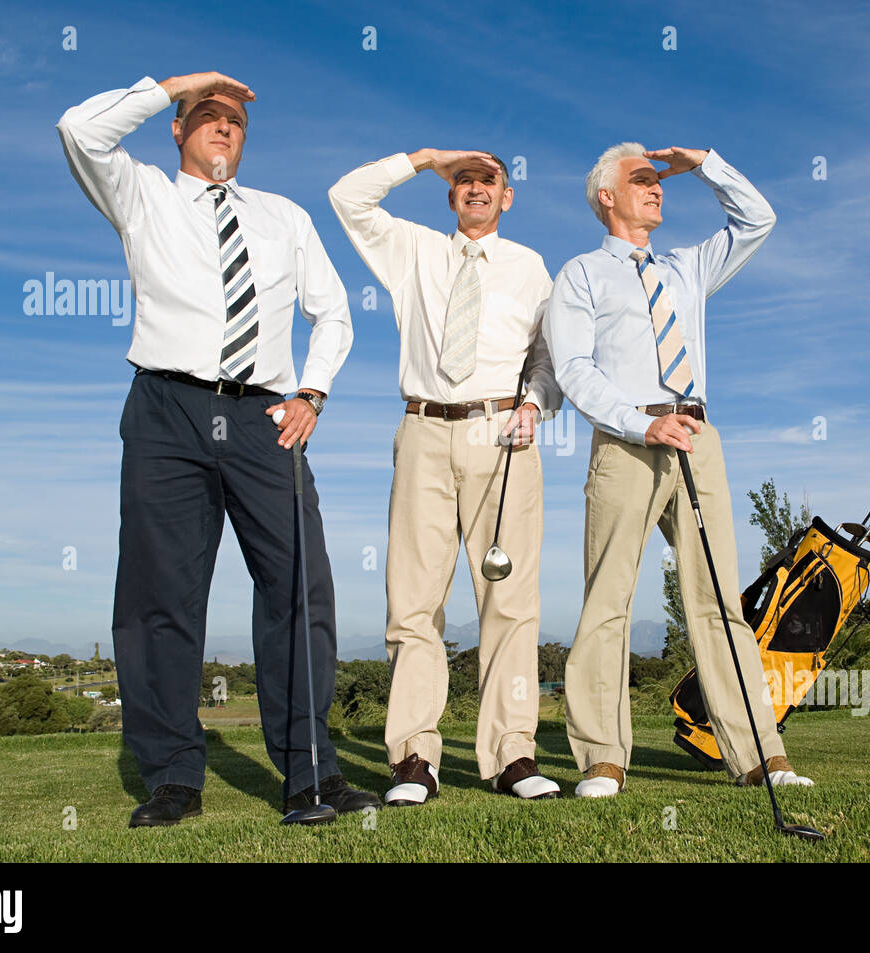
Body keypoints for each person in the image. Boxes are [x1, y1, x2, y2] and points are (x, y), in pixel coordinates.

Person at [57, 71, 378, 826]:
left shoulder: (285, 217)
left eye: (233, 116)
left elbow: (333, 315)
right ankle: (172, 775)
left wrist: (314, 392)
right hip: (167, 407)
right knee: (159, 596)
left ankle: (310, 776)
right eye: (205, 114)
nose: (222, 124)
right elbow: (79, 129)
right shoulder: (140, 194)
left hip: (267, 416)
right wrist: (178, 82)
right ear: (176, 129)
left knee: (300, 588)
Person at [543, 142, 814, 797]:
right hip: (626, 435)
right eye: (642, 178)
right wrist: (642, 423)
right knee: (609, 600)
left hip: (698, 436)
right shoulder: (581, 273)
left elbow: (758, 220)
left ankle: (759, 756)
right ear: (606, 196)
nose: (657, 187)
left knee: (720, 602)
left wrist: (709, 164)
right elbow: (574, 367)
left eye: (660, 179)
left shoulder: (687, 267)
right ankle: (603, 757)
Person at [329, 149, 562, 805]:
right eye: (464, 179)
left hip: (503, 436)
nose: (476, 188)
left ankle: (511, 753)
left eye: (489, 180)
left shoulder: (530, 268)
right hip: (424, 430)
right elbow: (347, 195)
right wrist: (423, 158)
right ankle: (413, 758)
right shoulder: (413, 250)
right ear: (449, 192)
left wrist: (534, 404)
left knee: (509, 602)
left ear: (507, 197)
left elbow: (549, 358)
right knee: (413, 603)